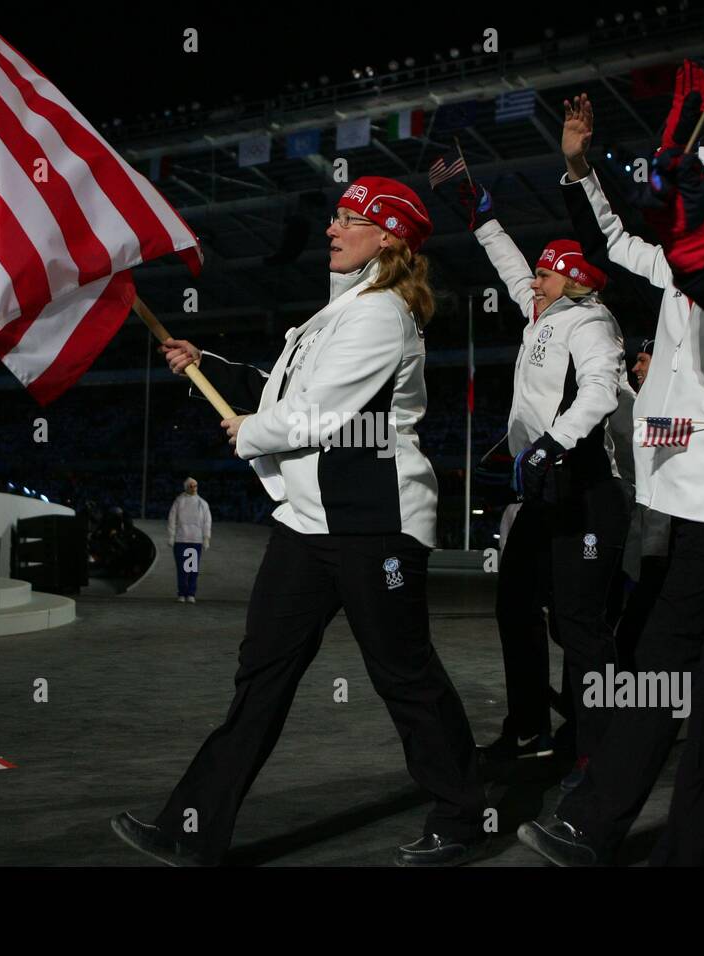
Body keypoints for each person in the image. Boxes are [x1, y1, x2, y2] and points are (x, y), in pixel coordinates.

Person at [111, 175, 488, 867]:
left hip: (375, 526)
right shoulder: (334, 315)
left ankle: (464, 817)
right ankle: (192, 825)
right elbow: (289, 388)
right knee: (261, 676)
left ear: (387, 238)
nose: (331, 229)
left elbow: (323, 414)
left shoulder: (381, 314)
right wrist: (209, 365)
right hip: (309, 524)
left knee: (403, 675)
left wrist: (249, 431)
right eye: (337, 216)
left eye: (348, 219)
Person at [518, 62, 704, 866]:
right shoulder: (681, 267)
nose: (678, 203)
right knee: (665, 659)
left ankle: (596, 819)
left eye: (697, 189)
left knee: (671, 664)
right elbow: (612, 240)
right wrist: (580, 168)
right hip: (672, 498)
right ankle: (613, 803)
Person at [457, 180, 629, 787]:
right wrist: (484, 222)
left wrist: (552, 444)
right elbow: (512, 270)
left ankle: (598, 749)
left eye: (546, 275)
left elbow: (602, 392)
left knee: (580, 624)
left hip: (585, 488)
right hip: (544, 486)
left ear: (572, 282)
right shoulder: (545, 311)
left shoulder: (591, 324)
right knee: (515, 606)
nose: (533, 282)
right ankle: (529, 731)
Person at [167, 477, 212, 604]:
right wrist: (171, 536)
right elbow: (172, 519)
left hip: (195, 540)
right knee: (182, 569)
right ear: (186, 487)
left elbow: (207, 522)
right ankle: (182, 593)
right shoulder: (179, 501)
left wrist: (206, 538)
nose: (193, 488)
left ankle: (191, 593)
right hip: (181, 539)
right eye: (191, 486)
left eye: (195, 486)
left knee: (192, 569)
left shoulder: (202, 503)